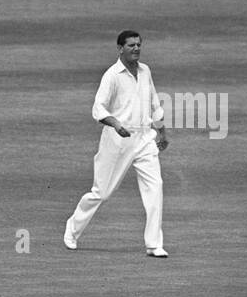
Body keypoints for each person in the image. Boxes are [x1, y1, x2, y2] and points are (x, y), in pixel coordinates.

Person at [64, 30, 169, 257]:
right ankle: (72, 229)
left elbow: (154, 102)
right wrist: (116, 124)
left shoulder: (145, 70)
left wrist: (161, 131)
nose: (136, 49)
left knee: (155, 187)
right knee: (102, 193)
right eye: (131, 45)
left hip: (144, 139)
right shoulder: (112, 75)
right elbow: (98, 108)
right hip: (117, 141)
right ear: (120, 48)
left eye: (139, 45)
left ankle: (154, 244)